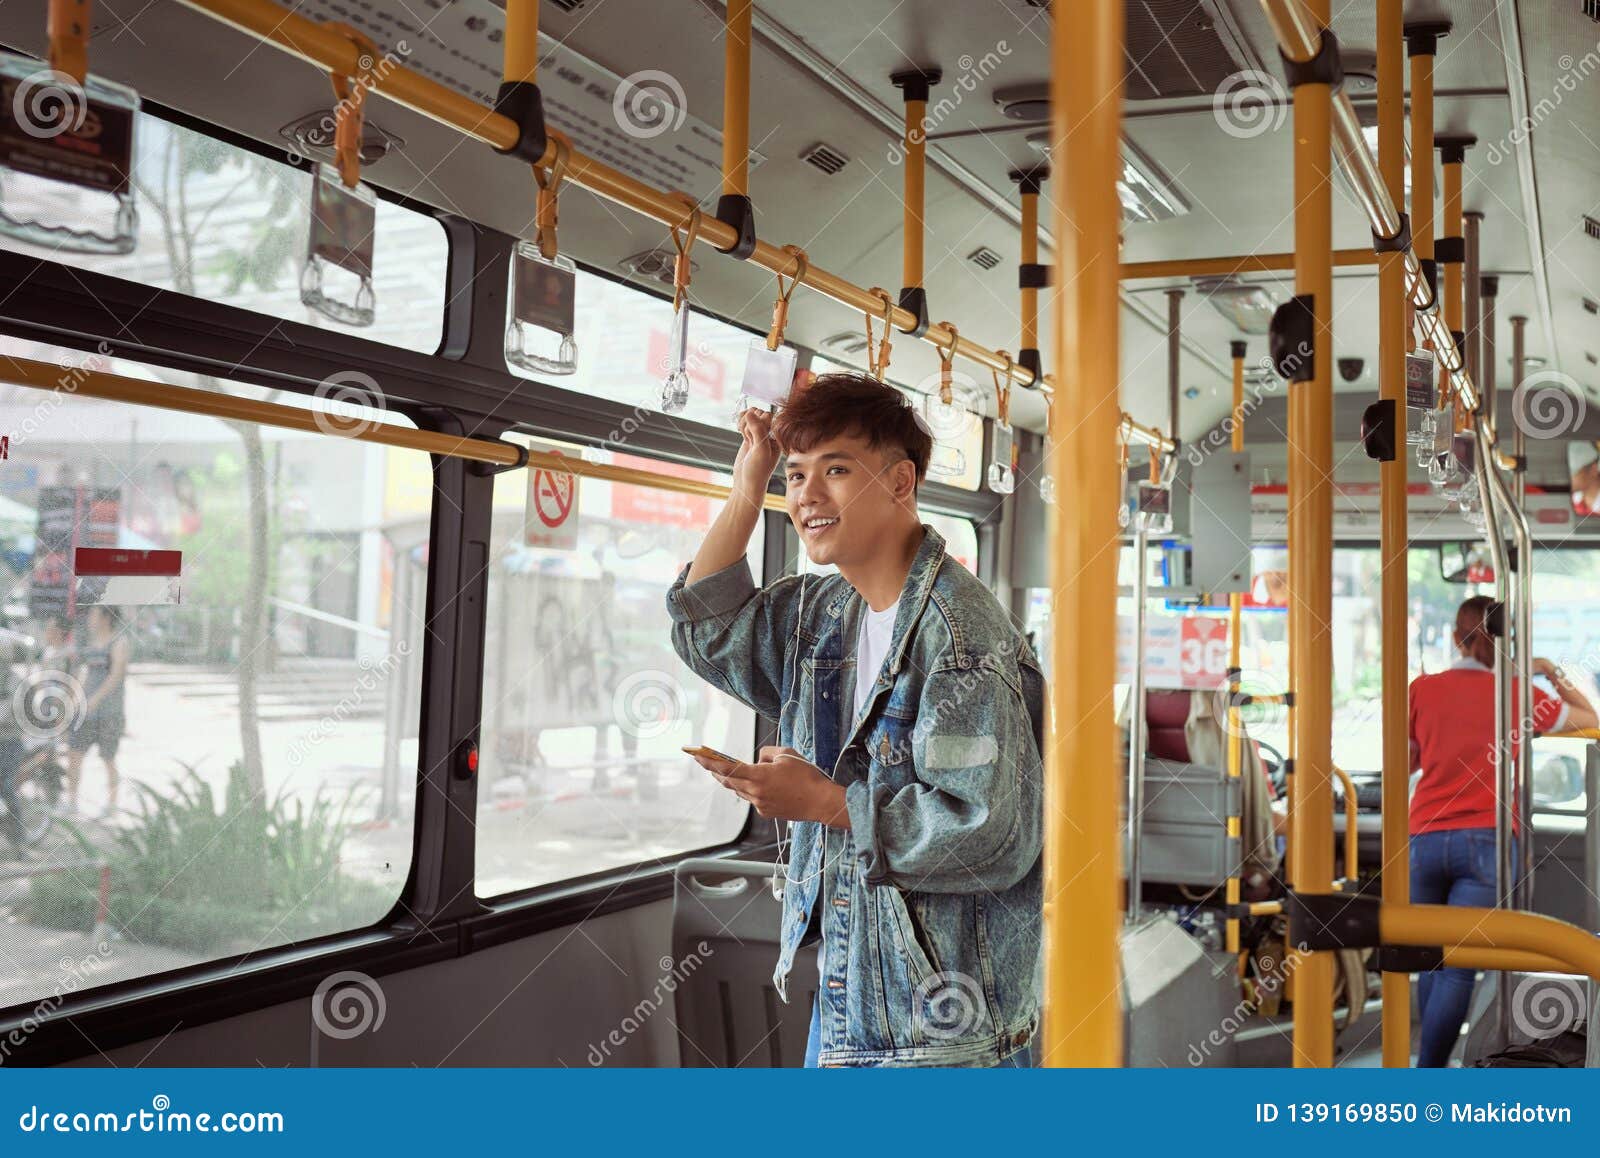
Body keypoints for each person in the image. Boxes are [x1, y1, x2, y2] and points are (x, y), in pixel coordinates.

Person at [667, 373, 1045, 1068]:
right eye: (796, 473)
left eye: (835, 470)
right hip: (855, 998)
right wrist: (748, 486)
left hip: (941, 1036)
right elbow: (709, 628)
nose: (807, 495)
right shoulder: (823, 613)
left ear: (900, 482)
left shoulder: (960, 640)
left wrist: (824, 804)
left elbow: (986, 833)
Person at [1407, 594, 1597, 1066]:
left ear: (1456, 637)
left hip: (1423, 836)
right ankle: (1430, 1072)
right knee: (1459, 967)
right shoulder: (1516, 693)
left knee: (1426, 956)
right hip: (1486, 840)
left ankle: (1419, 1069)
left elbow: (1407, 761)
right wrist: (1546, 668)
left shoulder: (1421, 689)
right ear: (1507, 640)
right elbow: (1592, 717)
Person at [65, 604, 130, 818]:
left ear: (105, 617)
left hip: (109, 714)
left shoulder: (119, 642)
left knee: (108, 758)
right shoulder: (91, 644)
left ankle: (112, 805)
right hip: (86, 713)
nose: (90, 618)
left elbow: (115, 675)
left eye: (94, 614)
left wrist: (95, 699)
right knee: (74, 755)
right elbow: (85, 674)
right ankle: (71, 801)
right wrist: (76, 699)